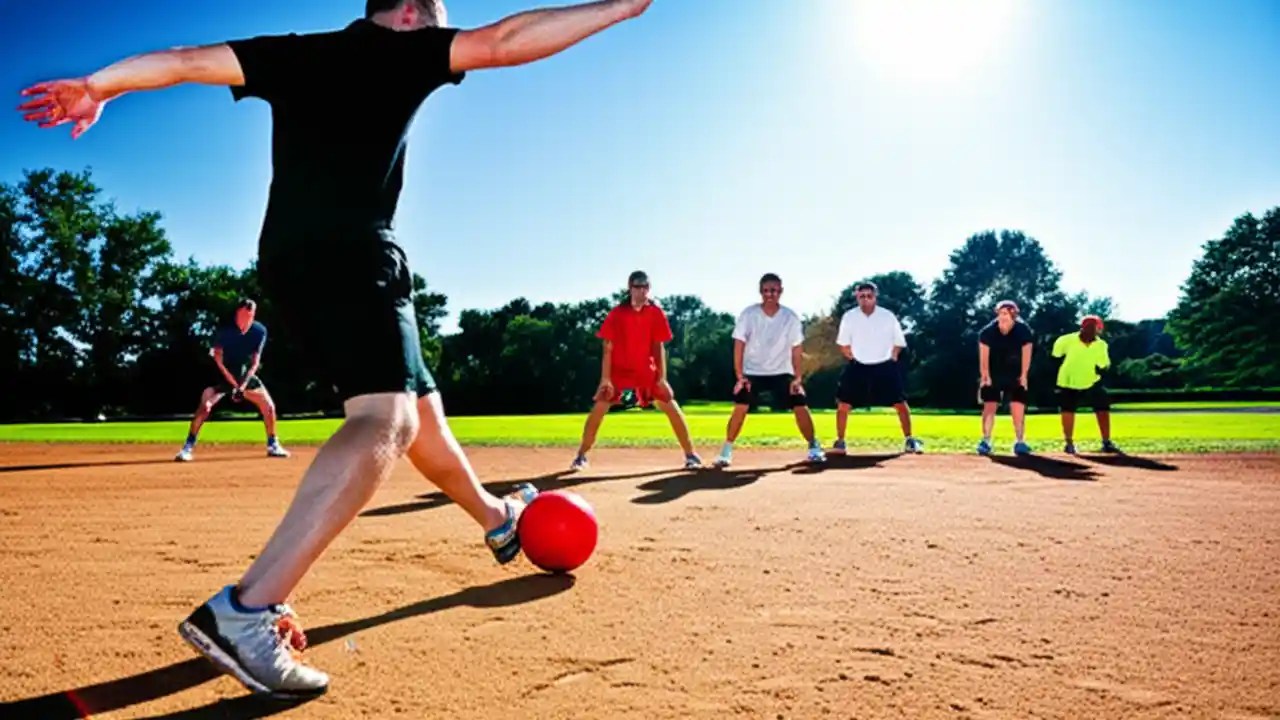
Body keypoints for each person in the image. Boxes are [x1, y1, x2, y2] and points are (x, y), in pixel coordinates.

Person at [20, 0, 655, 698]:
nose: (445, 33)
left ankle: (496, 521)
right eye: (440, 18)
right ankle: (248, 608)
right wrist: (624, 7)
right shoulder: (404, 50)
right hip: (356, 253)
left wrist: (99, 84)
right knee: (387, 420)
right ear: (412, 13)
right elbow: (505, 40)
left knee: (418, 408)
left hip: (292, 257)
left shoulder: (297, 52)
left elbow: (179, 62)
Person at [571, 270, 702, 471]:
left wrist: (662, 378)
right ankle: (581, 456)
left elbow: (659, 346)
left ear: (649, 289)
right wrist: (605, 379)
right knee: (599, 410)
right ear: (629, 288)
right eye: (637, 286)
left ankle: (691, 455)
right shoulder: (617, 313)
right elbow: (607, 347)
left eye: (645, 287)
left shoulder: (655, 312)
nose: (641, 291)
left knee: (670, 405)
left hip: (645, 369)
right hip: (619, 370)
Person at [713, 273, 824, 468]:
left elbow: (796, 349)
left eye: (773, 290)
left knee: (800, 403)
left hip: (782, 371)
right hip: (753, 371)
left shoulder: (790, 317)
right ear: (760, 292)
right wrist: (739, 376)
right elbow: (739, 344)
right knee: (741, 406)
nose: (769, 294)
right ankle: (726, 450)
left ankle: (814, 447)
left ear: (780, 291)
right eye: (765, 290)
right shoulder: (749, 314)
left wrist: (798, 378)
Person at [175, 299, 290, 462]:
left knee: (269, 407)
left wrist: (242, 385)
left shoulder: (259, 331)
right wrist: (234, 385)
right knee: (205, 407)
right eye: (245, 314)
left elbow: (255, 362)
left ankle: (273, 445)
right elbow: (218, 359)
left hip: (244, 374)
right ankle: (187, 447)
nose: (248, 318)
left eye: (252, 314)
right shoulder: (225, 330)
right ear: (238, 313)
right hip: (222, 373)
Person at [830, 281, 924, 454]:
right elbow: (843, 344)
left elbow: (898, 341)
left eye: (869, 296)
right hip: (858, 366)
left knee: (900, 404)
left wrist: (892, 357)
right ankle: (840, 442)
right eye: (861, 296)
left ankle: (910, 440)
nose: (865, 299)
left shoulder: (887, 316)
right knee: (843, 404)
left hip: (884, 366)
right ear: (857, 297)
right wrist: (853, 356)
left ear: (875, 297)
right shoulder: (849, 317)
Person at [1051, 315, 1121, 455]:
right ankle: (1069, 443)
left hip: (1090, 380)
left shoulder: (1101, 345)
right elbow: (1055, 356)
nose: (1091, 330)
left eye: (1094, 327)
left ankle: (1106, 442)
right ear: (1082, 328)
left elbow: (1104, 365)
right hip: (1068, 381)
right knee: (1067, 410)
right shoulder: (1066, 340)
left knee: (1103, 408)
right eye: (1088, 327)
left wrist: (1103, 370)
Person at [976, 300, 1034, 456]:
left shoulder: (1023, 331)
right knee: (990, 405)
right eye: (1000, 313)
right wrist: (985, 376)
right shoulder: (987, 332)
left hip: (1014, 371)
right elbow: (983, 356)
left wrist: (1024, 375)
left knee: (1018, 405)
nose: (1003, 317)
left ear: (1014, 315)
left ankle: (1020, 441)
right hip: (994, 371)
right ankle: (986, 441)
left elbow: (1026, 354)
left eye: (1006, 314)